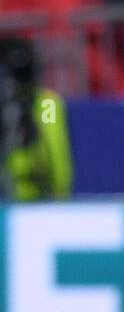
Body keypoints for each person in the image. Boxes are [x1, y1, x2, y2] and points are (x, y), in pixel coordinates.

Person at [1, 38, 72, 200]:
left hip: (34, 198)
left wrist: (60, 194)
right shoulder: (47, 102)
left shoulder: (46, 103)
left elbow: (56, 152)